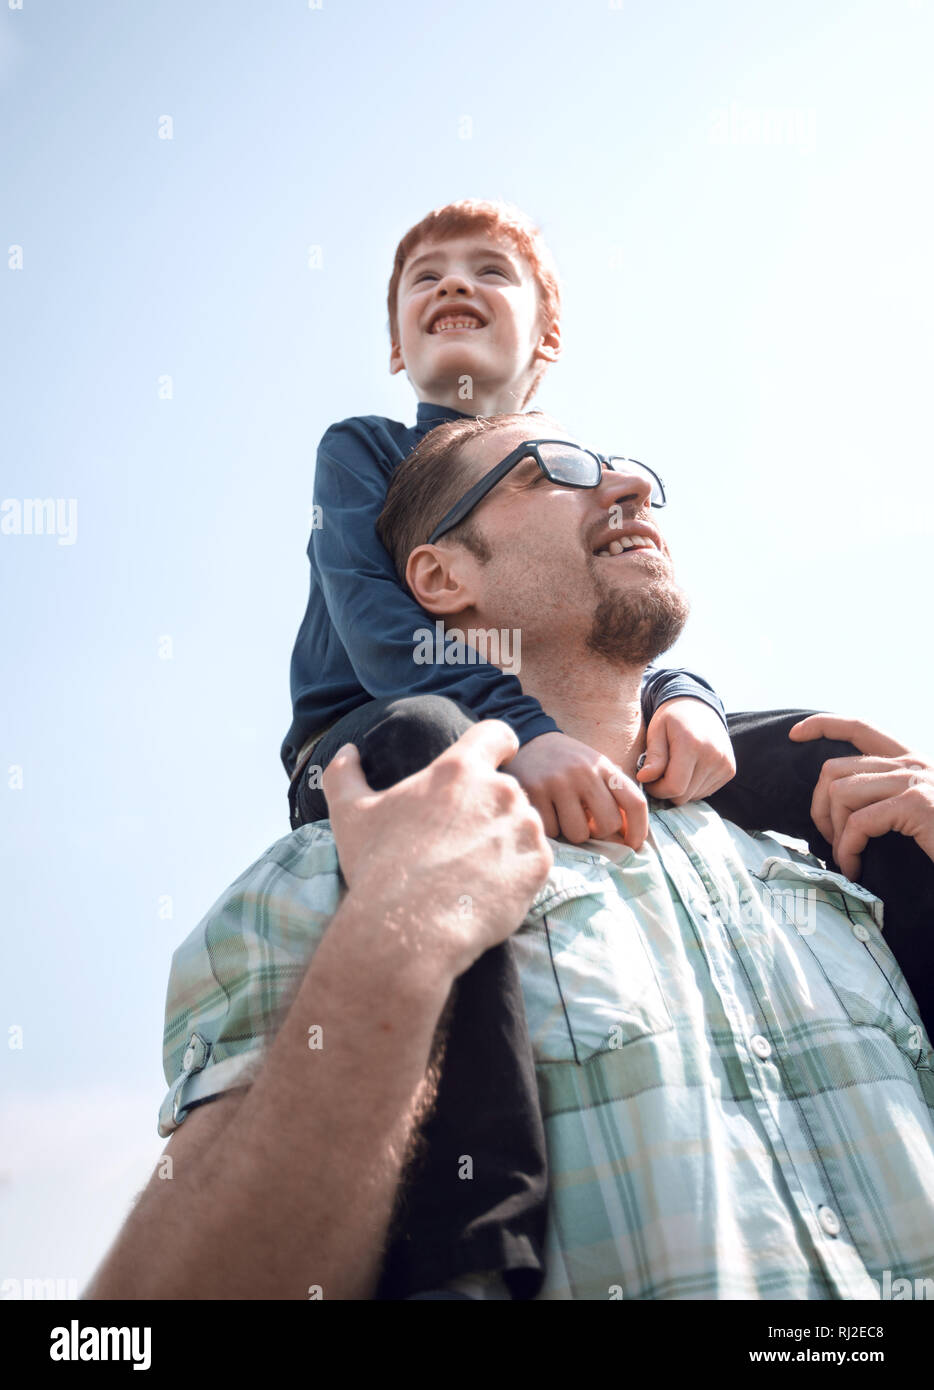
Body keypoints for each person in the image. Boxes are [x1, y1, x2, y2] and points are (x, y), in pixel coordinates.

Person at [86, 413, 934, 1301]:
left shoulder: (835, 857)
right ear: (443, 575)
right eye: (552, 470)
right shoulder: (344, 873)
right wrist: (392, 943)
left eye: (626, 467)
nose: (628, 488)